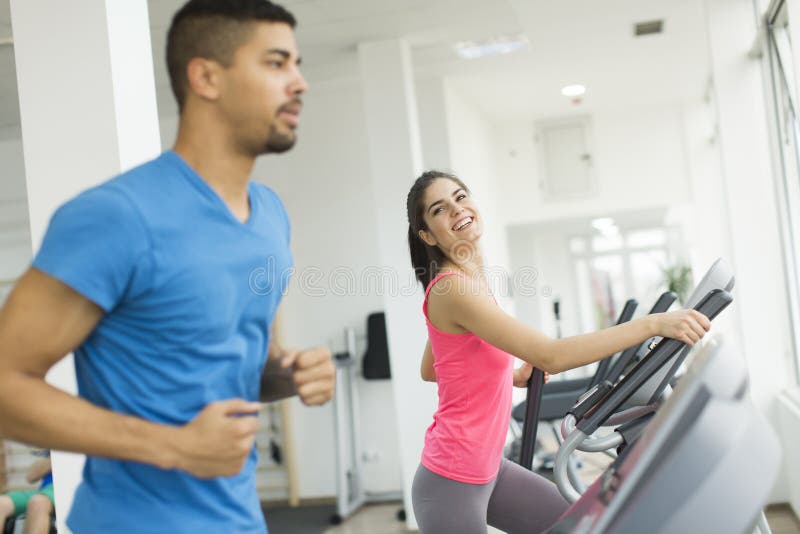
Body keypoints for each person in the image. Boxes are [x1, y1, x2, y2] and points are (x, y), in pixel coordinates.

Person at [0, 1, 335, 532]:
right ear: (206, 77)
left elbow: (235, 370)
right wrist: (175, 446)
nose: (299, 83)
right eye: (276, 63)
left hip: (241, 519)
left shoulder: (269, 216)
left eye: (297, 64)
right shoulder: (116, 216)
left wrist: (288, 373)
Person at [405, 170, 711, 534]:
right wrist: (653, 324)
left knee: (579, 528)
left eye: (460, 196)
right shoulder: (452, 290)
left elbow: (433, 366)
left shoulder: (470, 281)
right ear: (427, 234)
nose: (457, 209)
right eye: (440, 209)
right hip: (451, 482)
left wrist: (511, 375)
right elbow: (551, 355)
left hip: (491, 468)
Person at [0, 453, 53, 534]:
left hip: (63, 490)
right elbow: (30, 477)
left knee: (38, 502)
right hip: (44, 491)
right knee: (2, 503)